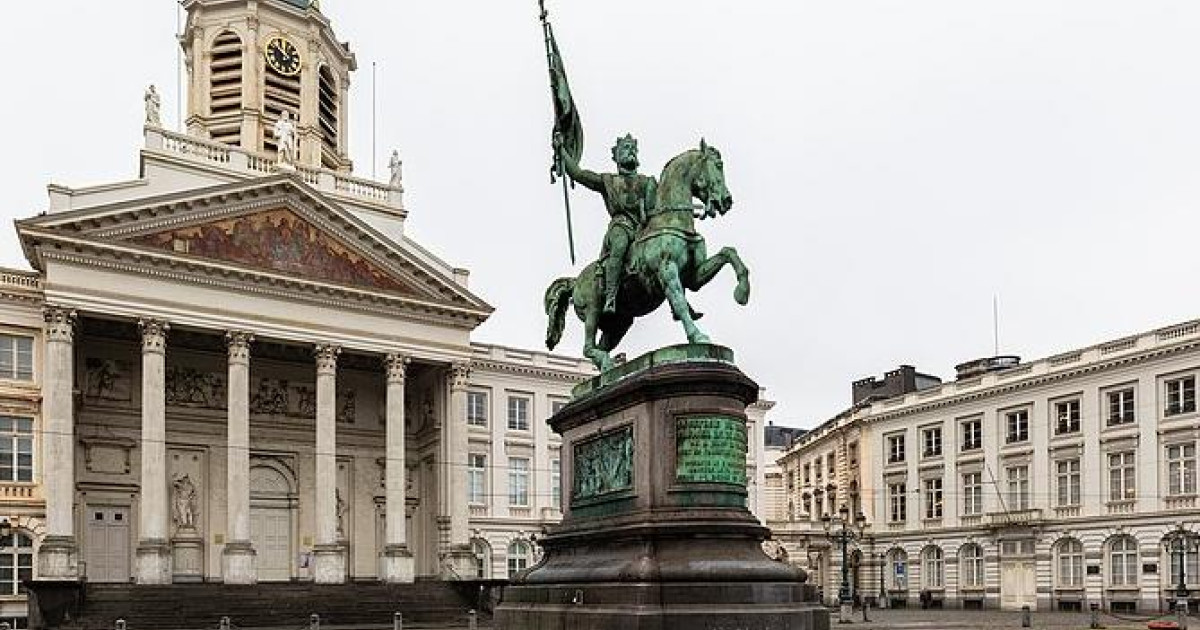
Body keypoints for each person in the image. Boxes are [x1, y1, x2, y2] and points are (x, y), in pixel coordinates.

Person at [559, 134, 656, 315]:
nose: (631, 152)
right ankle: (611, 296)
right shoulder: (609, 181)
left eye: (633, 148)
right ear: (617, 157)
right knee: (619, 245)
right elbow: (578, 174)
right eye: (626, 148)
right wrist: (563, 151)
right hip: (621, 226)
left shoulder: (648, 182)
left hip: (643, 229)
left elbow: (660, 208)